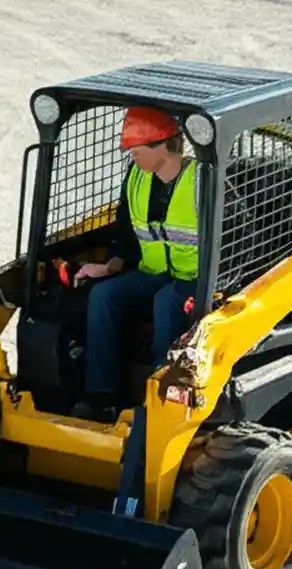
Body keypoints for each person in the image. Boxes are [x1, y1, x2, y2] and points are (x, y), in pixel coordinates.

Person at [69, 106, 202, 422]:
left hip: (199, 279)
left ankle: (158, 405)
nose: (132, 157)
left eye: (136, 150)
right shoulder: (137, 179)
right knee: (105, 296)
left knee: (166, 302)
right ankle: (101, 399)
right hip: (153, 273)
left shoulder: (202, 182)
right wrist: (109, 266)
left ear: (163, 145)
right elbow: (127, 231)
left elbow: (236, 235)